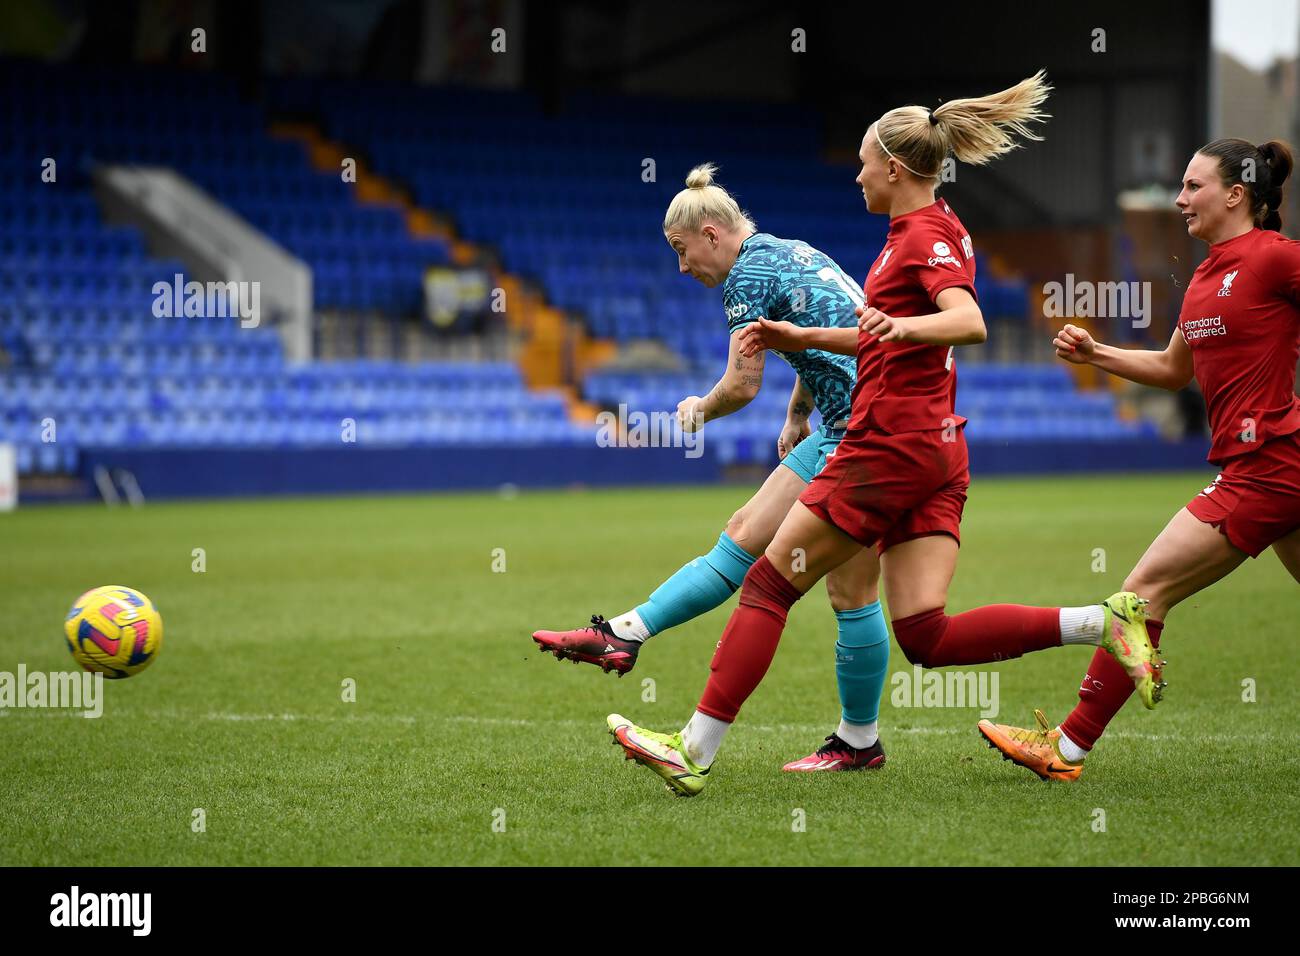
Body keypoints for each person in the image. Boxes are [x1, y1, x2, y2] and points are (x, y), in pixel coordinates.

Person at [606, 70, 1160, 799]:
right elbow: (882, 336)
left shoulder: (922, 235)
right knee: (925, 634)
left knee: (769, 583)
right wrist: (805, 337)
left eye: (866, 164)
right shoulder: (929, 228)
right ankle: (1106, 621)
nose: (858, 175)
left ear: (895, 169)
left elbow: (969, 321)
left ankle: (694, 749)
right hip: (937, 447)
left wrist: (902, 325)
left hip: (887, 446)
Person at [533, 163, 890, 772]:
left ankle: (638, 654)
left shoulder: (743, 277)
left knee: (807, 577)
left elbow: (742, 384)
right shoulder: (784, 251)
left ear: (710, 233)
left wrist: (698, 409)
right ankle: (857, 740)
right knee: (802, 564)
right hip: (856, 417)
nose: (681, 267)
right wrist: (798, 414)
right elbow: (812, 335)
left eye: (682, 251)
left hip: (865, 431)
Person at [980, 138, 1300, 781]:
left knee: (1138, 596)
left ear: (1236, 194)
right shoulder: (1208, 275)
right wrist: (1098, 354)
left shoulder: (1273, 258)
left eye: (1193, 185)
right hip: (1269, 467)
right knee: (1142, 598)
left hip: (1270, 464)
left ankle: (1065, 748)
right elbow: (1173, 368)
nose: (1179, 199)